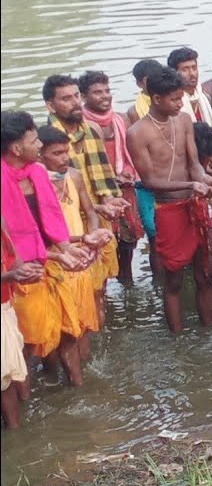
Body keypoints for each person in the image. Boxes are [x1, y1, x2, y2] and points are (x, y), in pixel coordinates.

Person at [126, 68, 212, 332]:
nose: (181, 104)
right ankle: (177, 338)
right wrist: (192, 184)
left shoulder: (182, 121)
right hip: (168, 208)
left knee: (205, 275)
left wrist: (206, 179)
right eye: (174, 99)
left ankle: (210, 332)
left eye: (181, 98)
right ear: (156, 98)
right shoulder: (137, 133)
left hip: (195, 204)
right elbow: (148, 182)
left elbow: (194, 164)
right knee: (174, 280)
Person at [2, 111, 93, 385]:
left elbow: (50, 220)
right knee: (26, 346)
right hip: (20, 275)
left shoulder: (38, 172)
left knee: (69, 331)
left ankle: (79, 389)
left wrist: (66, 248)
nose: (40, 145)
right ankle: (28, 408)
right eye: (34, 141)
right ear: (17, 149)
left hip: (49, 262)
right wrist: (58, 255)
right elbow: (10, 244)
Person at [37, 126, 110, 359]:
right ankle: (54, 376)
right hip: (55, 262)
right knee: (56, 330)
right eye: (57, 153)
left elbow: (90, 212)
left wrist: (94, 238)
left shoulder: (74, 176)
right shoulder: (34, 185)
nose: (65, 158)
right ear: (40, 155)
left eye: (66, 151)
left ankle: (85, 373)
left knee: (84, 323)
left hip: (81, 258)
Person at [77, 71, 145, 284]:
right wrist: (114, 179)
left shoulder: (122, 120)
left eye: (107, 91)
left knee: (127, 245)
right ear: (84, 97)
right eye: (97, 92)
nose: (105, 96)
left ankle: (128, 289)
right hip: (95, 197)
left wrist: (129, 175)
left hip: (125, 191)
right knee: (101, 250)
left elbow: (134, 154)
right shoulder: (80, 127)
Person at [1, 220, 41, 429]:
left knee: (7, 376)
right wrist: (9, 276)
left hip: (4, 307)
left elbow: (11, 258)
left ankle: (17, 435)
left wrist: (24, 272)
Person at [166, 48, 212, 145]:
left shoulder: (204, 97)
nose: (192, 74)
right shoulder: (171, 104)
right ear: (174, 73)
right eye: (185, 70)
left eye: (194, 68)